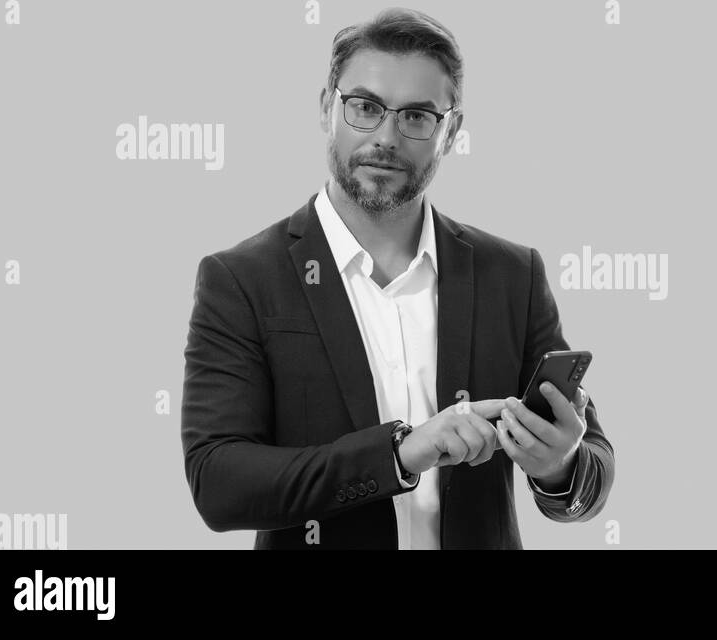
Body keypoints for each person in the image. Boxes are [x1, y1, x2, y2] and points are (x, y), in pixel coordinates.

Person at [180, 7, 614, 549]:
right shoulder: (241, 278)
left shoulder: (512, 274)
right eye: (365, 107)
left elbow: (591, 473)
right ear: (326, 109)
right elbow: (219, 483)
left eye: (415, 116)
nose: (386, 137)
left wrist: (561, 465)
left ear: (450, 131)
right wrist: (401, 453)